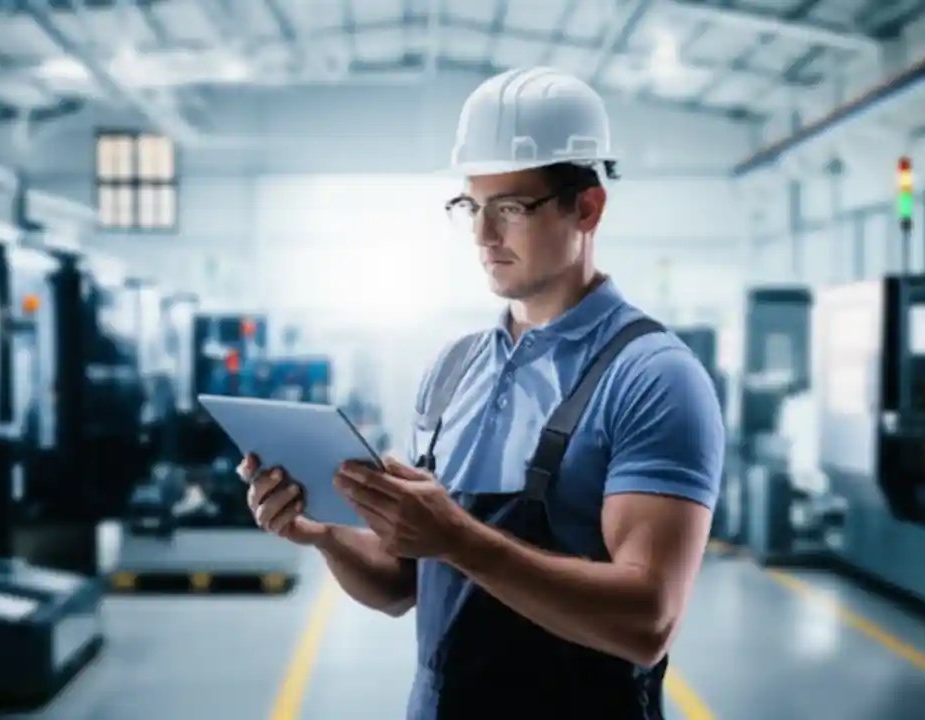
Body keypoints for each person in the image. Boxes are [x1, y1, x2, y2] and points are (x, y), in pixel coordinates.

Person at [238, 66, 724, 719]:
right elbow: (399, 582)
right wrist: (321, 533)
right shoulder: (452, 370)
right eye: (472, 205)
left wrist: (459, 538)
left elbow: (647, 621)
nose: (482, 235)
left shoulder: (653, 378)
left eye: (511, 207)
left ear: (587, 207)